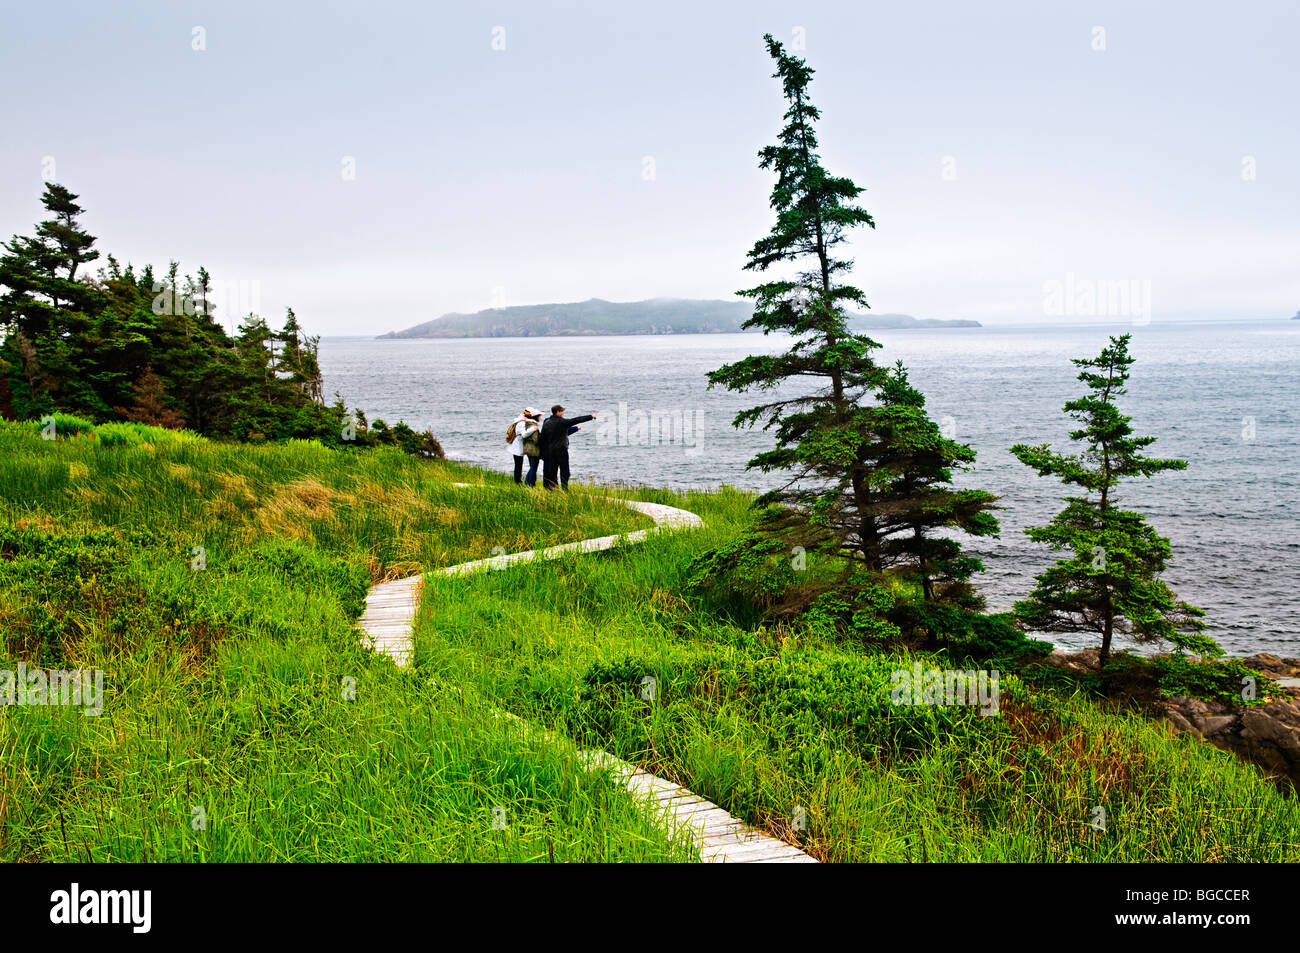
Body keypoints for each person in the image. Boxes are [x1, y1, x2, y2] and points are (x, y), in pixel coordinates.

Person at [540, 404, 596, 490]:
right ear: (558, 412)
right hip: (561, 450)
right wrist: (591, 416)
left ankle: (553, 488)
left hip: (551, 451)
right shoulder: (562, 422)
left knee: (553, 471)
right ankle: (565, 489)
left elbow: (542, 439)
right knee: (565, 471)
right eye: (562, 411)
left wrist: (543, 453)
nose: (563, 413)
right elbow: (577, 420)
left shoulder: (547, 423)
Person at [507, 407, 542, 485]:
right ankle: (518, 482)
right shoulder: (521, 423)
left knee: (518, 464)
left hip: (516, 446)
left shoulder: (520, 420)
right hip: (517, 447)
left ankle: (518, 481)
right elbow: (524, 434)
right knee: (518, 464)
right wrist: (533, 429)